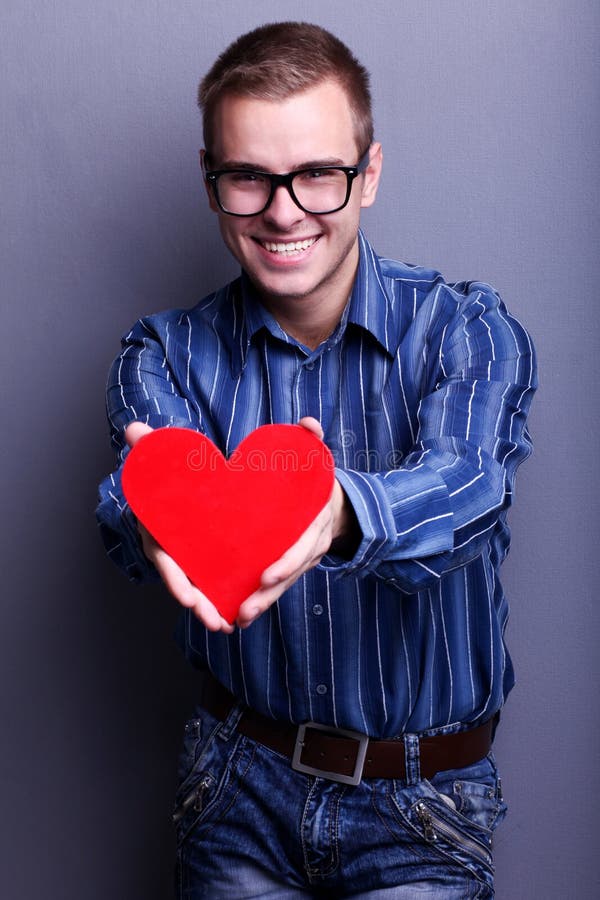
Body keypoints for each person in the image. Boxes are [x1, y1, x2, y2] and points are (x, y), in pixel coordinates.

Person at [97, 21, 537, 899]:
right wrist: (144, 517)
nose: (284, 209)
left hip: (424, 805)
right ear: (211, 180)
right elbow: (132, 488)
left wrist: (338, 513)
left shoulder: (469, 330)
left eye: (318, 176)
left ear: (368, 174)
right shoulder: (162, 352)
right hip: (233, 788)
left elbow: (470, 482)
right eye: (249, 176)